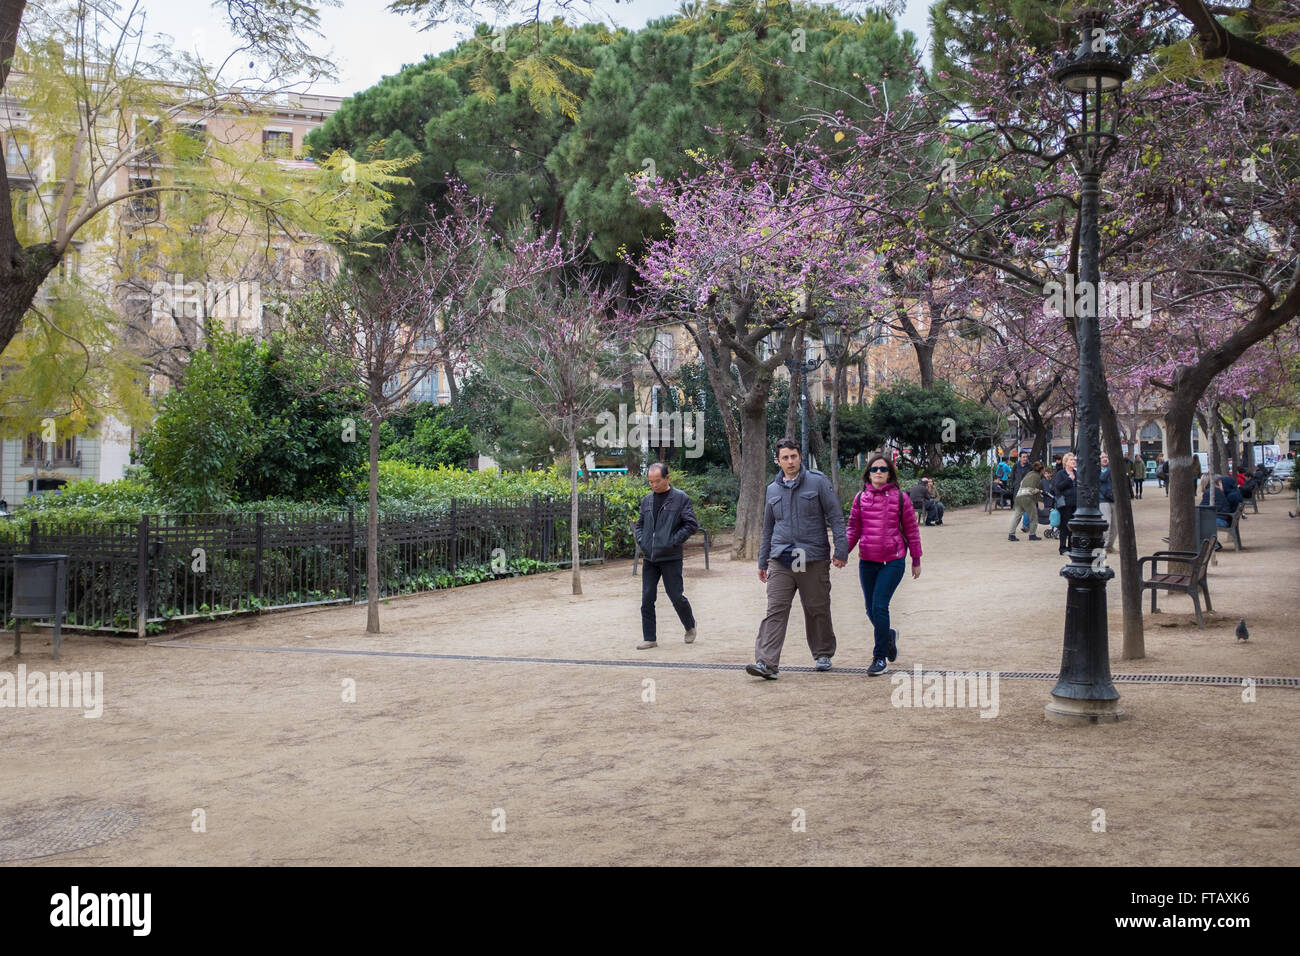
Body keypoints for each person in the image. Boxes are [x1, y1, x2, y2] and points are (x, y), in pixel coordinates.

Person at [745, 438, 848, 680]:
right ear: (778, 461)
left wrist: (841, 549)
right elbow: (768, 528)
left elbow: (836, 516)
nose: (790, 461)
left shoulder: (818, 481)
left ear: (800, 456)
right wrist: (762, 562)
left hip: (812, 556)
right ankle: (766, 663)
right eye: (785, 458)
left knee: (816, 607)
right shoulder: (772, 489)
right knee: (775, 609)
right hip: (781, 557)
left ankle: (823, 652)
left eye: (793, 456)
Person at [845, 454, 922, 677]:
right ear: (868, 473)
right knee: (870, 609)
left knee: (879, 607)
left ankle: (879, 658)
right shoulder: (860, 498)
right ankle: (888, 635)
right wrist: (842, 553)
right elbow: (853, 529)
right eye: (874, 469)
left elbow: (911, 530)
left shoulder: (900, 498)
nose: (878, 472)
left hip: (893, 560)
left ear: (890, 474)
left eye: (883, 469)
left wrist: (916, 560)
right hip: (867, 561)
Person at [632, 463, 699, 650]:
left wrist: (672, 540)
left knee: (676, 596)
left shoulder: (680, 499)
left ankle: (690, 625)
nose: (653, 485)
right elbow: (640, 524)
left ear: (667, 479)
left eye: (657, 481)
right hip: (650, 558)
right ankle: (650, 638)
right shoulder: (646, 501)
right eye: (650, 482)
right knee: (647, 598)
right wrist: (642, 540)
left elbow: (691, 524)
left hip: (671, 557)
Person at [1049, 452, 1078, 555]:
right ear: (1066, 462)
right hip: (1065, 504)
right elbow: (1058, 487)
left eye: (1074, 460)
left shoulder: (1076, 473)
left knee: (1073, 527)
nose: (1073, 462)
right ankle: (1062, 548)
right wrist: (1069, 479)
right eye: (1071, 460)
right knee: (1064, 527)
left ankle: (1071, 547)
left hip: (1076, 504)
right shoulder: (1061, 473)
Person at [1008, 461, 1045, 542]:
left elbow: (1022, 483)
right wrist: (1039, 492)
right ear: (1041, 470)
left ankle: (1011, 534)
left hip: (1018, 497)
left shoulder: (1028, 474)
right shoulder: (1037, 477)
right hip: (1027, 498)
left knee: (1017, 516)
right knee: (1034, 517)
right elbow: (1033, 490)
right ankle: (1032, 535)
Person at [1010, 451, 1033, 533]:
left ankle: (1025, 525)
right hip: (1017, 491)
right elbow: (1012, 477)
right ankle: (1012, 532)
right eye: (1023, 457)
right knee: (1018, 512)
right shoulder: (1015, 466)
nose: (1025, 458)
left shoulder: (1030, 466)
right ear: (1020, 457)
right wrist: (1013, 486)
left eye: (1026, 457)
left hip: (1027, 490)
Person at [1099, 451, 1117, 552]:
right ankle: (1105, 546)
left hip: (1114, 499)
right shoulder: (1097, 470)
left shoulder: (1112, 470)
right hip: (1103, 500)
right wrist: (1110, 468)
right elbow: (1102, 478)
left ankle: (1110, 545)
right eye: (1102, 457)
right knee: (1107, 523)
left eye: (1106, 457)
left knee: (1115, 526)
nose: (1105, 459)